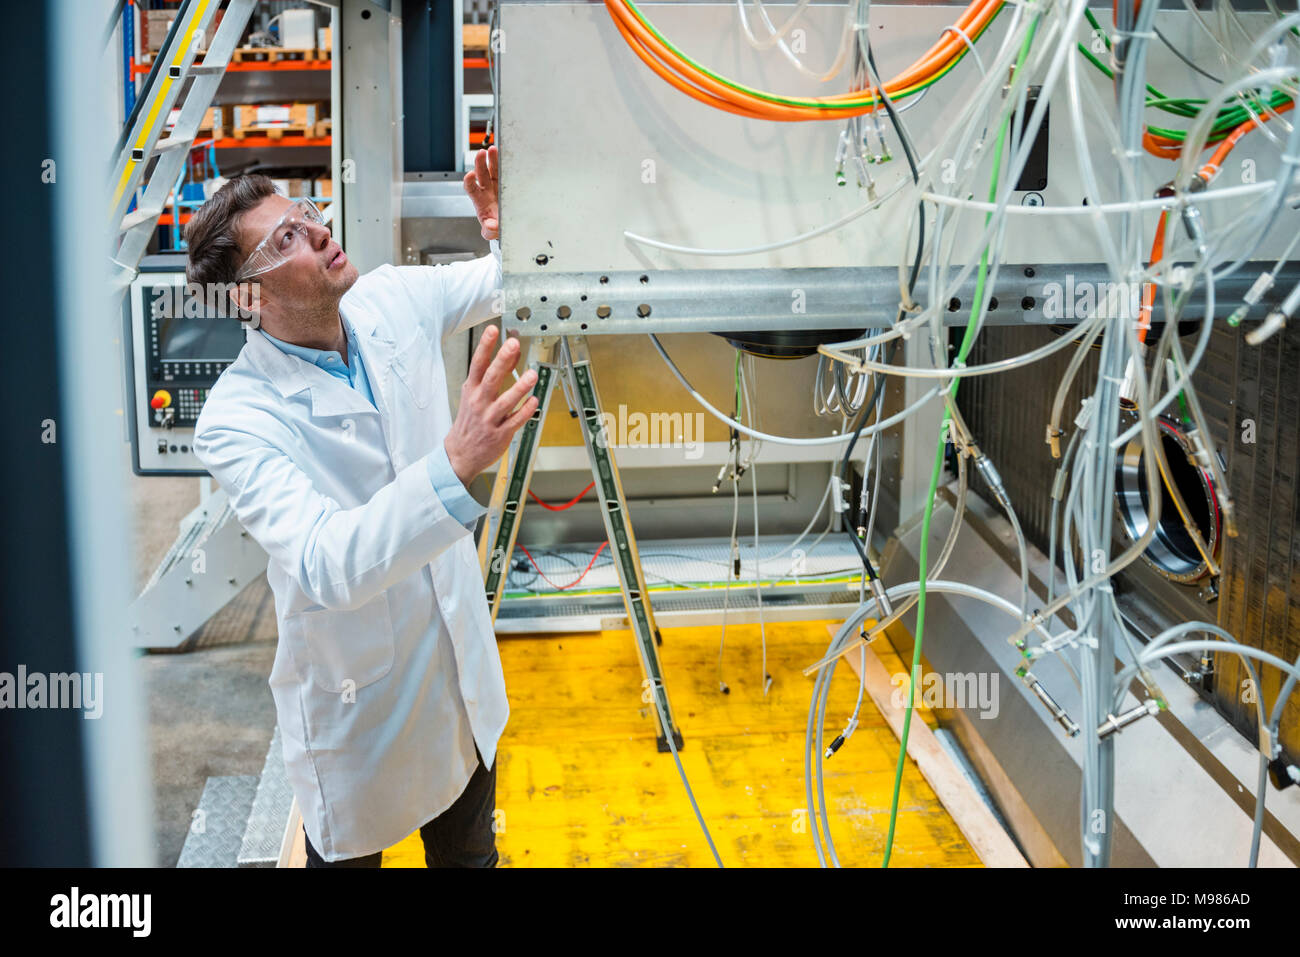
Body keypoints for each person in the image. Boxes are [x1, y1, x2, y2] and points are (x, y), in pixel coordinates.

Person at [185, 146, 537, 867]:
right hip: (357, 713)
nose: (316, 232)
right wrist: (456, 461)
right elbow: (327, 562)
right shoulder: (237, 418)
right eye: (285, 238)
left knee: (473, 859)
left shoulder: (386, 300)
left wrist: (509, 232)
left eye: (306, 215)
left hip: (457, 678)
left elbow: (507, 281)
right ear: (247, 298)